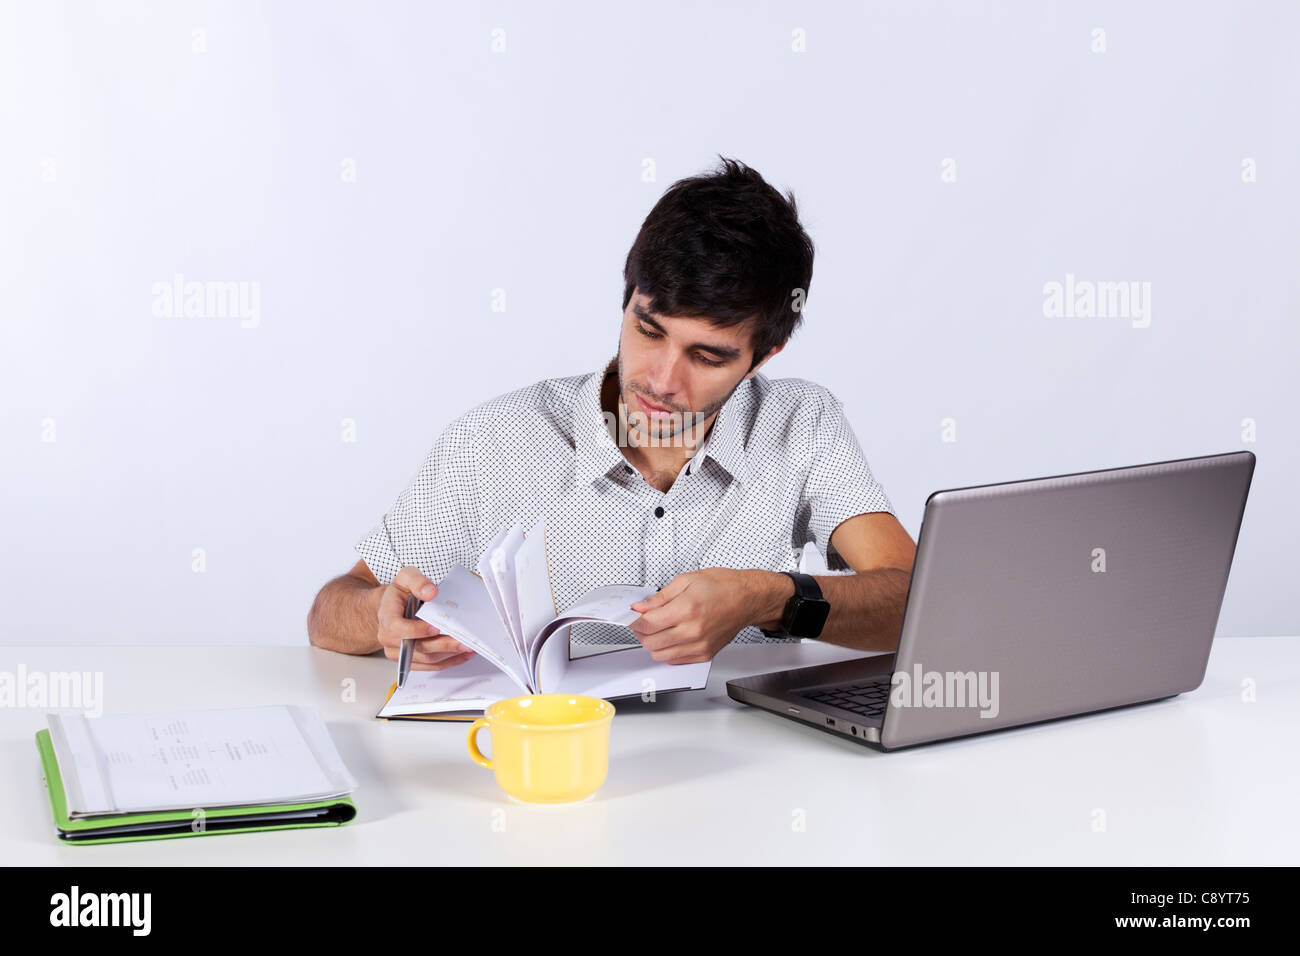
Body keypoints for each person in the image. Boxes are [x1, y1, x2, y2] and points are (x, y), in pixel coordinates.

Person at [307, 156, 916, 673]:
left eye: (707, 356)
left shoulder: (801, 425)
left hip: (751, 776)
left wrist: (768, 598)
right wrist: (381, 616)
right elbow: (332, 609)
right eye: (648, 331)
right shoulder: (491, 442)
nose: (660, 380)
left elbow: (916, 599)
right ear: (626, 299)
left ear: (763, 357)